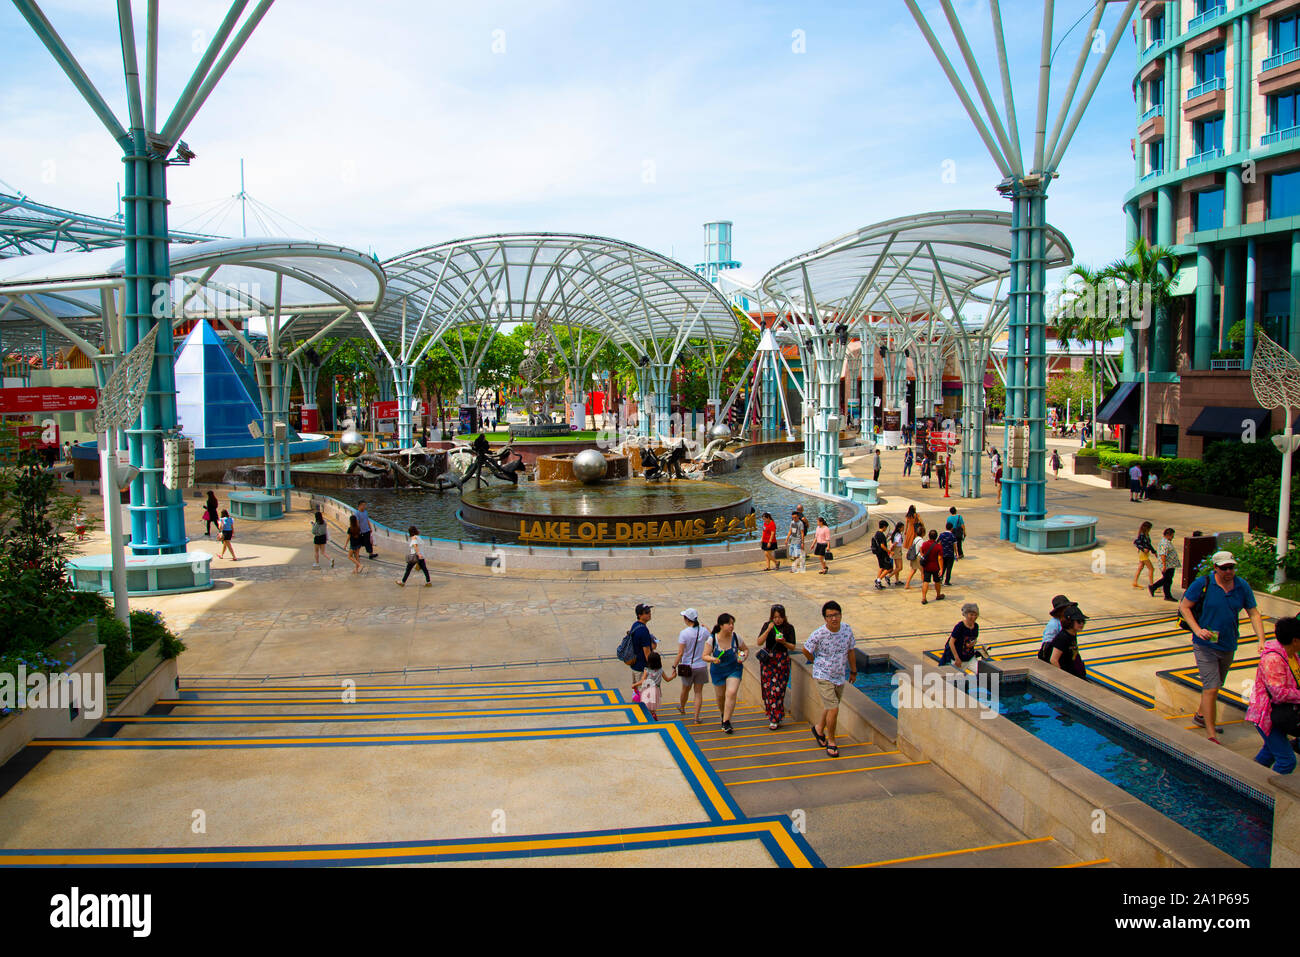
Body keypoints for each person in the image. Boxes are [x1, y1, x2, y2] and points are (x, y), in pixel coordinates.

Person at [1181, 551, 1267, 744]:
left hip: (1228, 643)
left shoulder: (1241, 586)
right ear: (1215, 568)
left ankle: (1201, 716)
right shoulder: (1203, 584)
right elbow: (1184, 607)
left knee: (1217, 684)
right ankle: (1211, 734)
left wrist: (1261, 639)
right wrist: (1197, 629)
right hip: (1204, 645)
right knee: (1211, 687)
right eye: (1224, 568)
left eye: (1231, 567)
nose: (1229, 571)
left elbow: (1253, 613)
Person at [802, 600, 857, 758]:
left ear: (840, 615)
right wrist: (815, 662)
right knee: (834, 708)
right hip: (823, 675)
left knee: (831, 705)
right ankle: (831, 741)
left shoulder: (846, 630)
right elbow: (806, 649)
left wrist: (853, 671)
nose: (834, 618)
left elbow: (851, 650)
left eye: (836, 615)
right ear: (825, 618)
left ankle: (818, 729)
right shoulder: (819, 633)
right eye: (830, 616)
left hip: (839, 675)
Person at [1246, 616, 1300, 774]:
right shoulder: (1273, 659)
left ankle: (1251, 780)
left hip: (1281, 714)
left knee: (1268, 753)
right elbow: (1279, 693)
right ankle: (1271, 795)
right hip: (1268, 715)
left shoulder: (1292, 656)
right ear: (1295, 640)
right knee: (1287, 761)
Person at [703, 613, 747, 733]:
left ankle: (727, 722)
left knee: (731, 693)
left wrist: (742, 657)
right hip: (718, 671)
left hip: (734, 669)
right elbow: (705, 656)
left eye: (733, 623)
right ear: (721, 626)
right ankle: (723, 714)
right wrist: (713, 659)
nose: (731, 626)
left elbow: (745, 649)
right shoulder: (713, 639)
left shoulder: (737, 638)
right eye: (729, 624)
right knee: (720, 697)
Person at [757, 604, 798, 730]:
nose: (777, 620)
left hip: (782, 660)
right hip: (769, 660)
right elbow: (759, 642)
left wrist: (783, 641)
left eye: (780, 617)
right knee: (769, 689)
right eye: (775, 617)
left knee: (779, 690)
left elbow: (792, 646)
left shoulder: (789, 628)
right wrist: (769, 629)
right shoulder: (767, 625)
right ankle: (773, 717)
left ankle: (777, 715)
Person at [673, 609, 710, 723]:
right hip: (701, 666)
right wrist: (707, 627)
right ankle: (696, 717)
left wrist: (674, 666)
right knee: (698, 692)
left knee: (685, 689)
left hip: (687, 666)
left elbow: (680, 653)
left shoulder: (684, 633)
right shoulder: (703, 631)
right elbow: (713, 637)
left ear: (687, 619)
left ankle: (682, 707)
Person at [1050, 604, 1088, 679]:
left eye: (1083, 621)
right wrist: (1063, 678)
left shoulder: (1073, 633)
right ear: (1070, 621)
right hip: (1068, 676)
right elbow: (1053, 660)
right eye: (1078, 621)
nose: (1082, 624)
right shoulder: (1063, 637)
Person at [939, 603, 980, 672]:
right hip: (958, 660)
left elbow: (974, 639)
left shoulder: (976, 626)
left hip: (970, 659)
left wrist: (973, 643)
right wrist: (957, 658)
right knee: (955, 680)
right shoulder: (960, 626)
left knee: (982, 673)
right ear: (966, 615)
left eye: (975, 615)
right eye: (971, 615)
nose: (974, 617)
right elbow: (951, 642)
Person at [627, 603, 658, 693]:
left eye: (649, 611)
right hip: (642, 668)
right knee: (645, 695)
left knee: (637, 693)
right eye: (646, 612)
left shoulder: (635, 625)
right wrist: (653, 669)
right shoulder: (643, 631)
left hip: (635, 666)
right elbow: (647, 653)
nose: (649, 613)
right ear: (640, 615)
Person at [637, 651, 675, 721]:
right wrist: (673, 676)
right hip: (656, 691)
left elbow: (643, 681)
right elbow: (667, 679)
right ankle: (653, 717)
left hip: (647, 690)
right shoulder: (660, 671)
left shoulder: (647, 670)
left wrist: (635, 684)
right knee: (653, 707)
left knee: (646, 706)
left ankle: (647, 719)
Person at [1038, 594, 1073, 659]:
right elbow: (1047, 645)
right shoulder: (1054, 624)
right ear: (1060, 610)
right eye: (1066, 608)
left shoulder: (1067, 620)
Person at [1149, 527, 1179, 601]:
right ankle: (1155, 587)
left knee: (1168, 580)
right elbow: (1163, 555)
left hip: (1170, 564)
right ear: (1168, 535)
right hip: (1167, 565)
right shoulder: (1164, 543)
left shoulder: (1166, 542)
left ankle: (1166, 594)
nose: (1173, 537)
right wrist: (1164, 565)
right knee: (1167, 580)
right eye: (1172, 536)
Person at [918, 529, 944, 604]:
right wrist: (941, 568)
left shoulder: (925, 544)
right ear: (936, 537)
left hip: (927, 566)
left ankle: (924, 598)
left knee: (926, 581)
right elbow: (940, 558)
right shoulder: (938, 546)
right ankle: (938, 595)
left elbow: (922, 552)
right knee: (937, 581)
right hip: (935, 566)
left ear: (928, 536)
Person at [1132, 521, 1156, 589]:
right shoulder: (1142, 535)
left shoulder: (1146, 535)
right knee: (1151, 569)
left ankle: (1135, 582)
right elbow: (1136, 543)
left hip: (1145, 553)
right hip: (1143, 554)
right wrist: (1143, 549)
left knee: (1140, 567)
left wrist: (1154, 552)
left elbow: (1149, 545)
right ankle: (1152, 585)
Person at [871, 519, 892, 590]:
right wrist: (889, 551)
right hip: (883, 554)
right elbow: (882, 545)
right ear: (884, 527)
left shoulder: (877, 533)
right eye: (886, 527)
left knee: (881, 567)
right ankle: (878, 580)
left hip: (878, 553)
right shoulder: (881, 535)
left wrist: (886, 537)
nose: (886, 529)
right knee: (889, 568)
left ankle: (878, 581)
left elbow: (880, 542)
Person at [905, 519, 926, 589]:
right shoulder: (921, 541)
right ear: (923, 533)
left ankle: (907, 584)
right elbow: (921, 551)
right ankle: (924, 585)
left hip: (914, 556)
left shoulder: (915, 539)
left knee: (913, 570)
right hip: (918, 557)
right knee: (923, 572)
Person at [939, 520, 958, 587]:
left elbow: (939, 543)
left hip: (942, 554)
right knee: (949, 568)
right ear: (952, 528)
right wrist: (956, 554)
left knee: (942, 567)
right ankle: (947, 581)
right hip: (950, 554)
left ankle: (940, 579)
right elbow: (955, 546)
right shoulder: (953, 536)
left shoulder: (941, 535)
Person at [890, 521, 905, 586]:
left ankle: (897, 580)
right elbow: (895, 543)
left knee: (897, 567)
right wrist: (891, 550)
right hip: (897, 550)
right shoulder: (898, 535)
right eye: (902, 528)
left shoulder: (894, 534)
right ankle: (888, 576)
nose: (903, 529)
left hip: (896, 550)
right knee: (900, 567)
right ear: (899, 528)